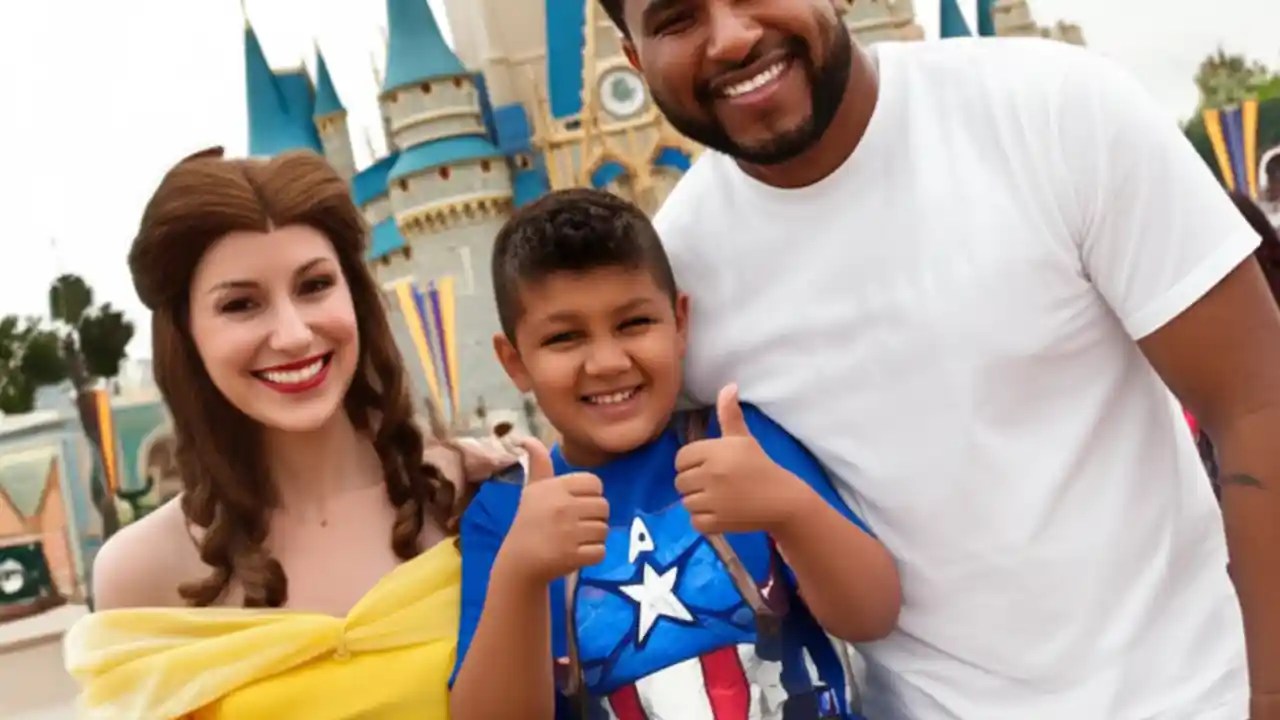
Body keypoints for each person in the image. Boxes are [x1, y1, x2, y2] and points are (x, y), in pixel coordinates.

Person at [579, 1, 1280, 717]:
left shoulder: (1052, 109)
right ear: (635, 57)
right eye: (677, 19)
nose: (731, 38)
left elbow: (1257, 402)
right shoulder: (672, 289)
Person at [449, 189, 902, 719]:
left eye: (634, 323)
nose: (607, 362)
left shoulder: (740, 444)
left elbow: (872, 616)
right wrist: (520, 573)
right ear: (514, 362)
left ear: (680, 322)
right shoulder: (505, 515)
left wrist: (790, 508)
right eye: (565, 337)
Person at [63, 148, 468, 719]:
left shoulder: (465, 491)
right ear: (187, 334)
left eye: (315, 285)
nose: (294, 334)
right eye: (241, 304)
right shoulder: (142, 571)